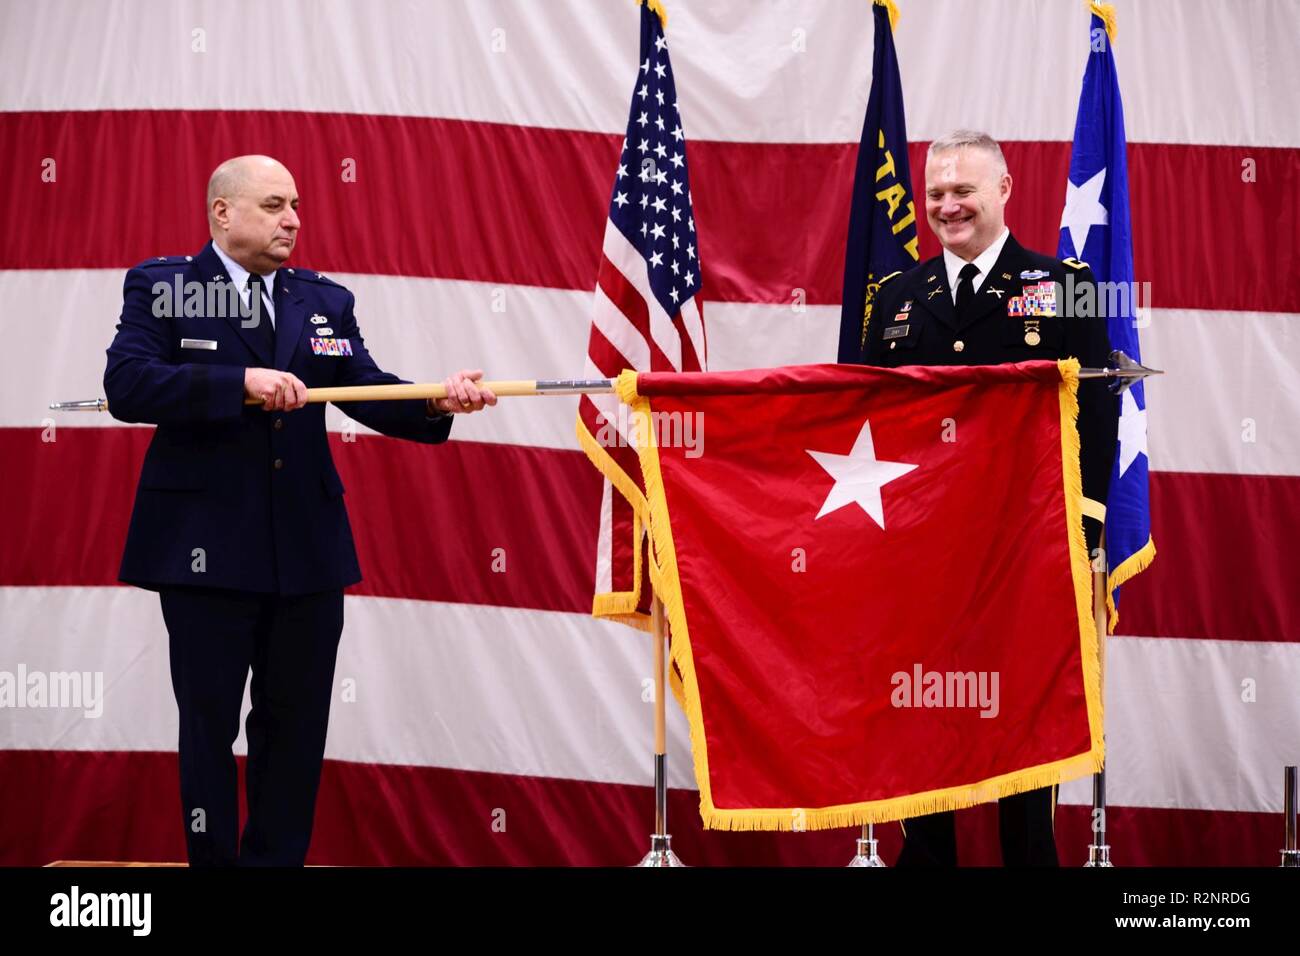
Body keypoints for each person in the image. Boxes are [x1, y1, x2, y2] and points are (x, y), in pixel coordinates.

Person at [103, 155, 496, 866]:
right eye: (275, 205)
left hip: (306, 551)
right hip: (205, 551)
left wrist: (437, 399)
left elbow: (363, 386)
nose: (294, 220)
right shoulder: (165, 287)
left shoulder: (322, 300)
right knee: (208, 728)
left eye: (297, 206)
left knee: (295, 730)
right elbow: (129, 384)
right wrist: (239, 381)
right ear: (223, 213)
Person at [862, 130, 1119, 866]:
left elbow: (1096, 416)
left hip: (1027, 551)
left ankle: (1030, 857)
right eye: (936, 193)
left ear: (1004, 190)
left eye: (963, 190)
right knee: (925, 714)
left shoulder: (1066, 288)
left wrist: (1083, 528)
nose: (948, 205)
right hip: (923, 555)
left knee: (1023, 719)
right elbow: (867, 420)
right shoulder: (897, 300)